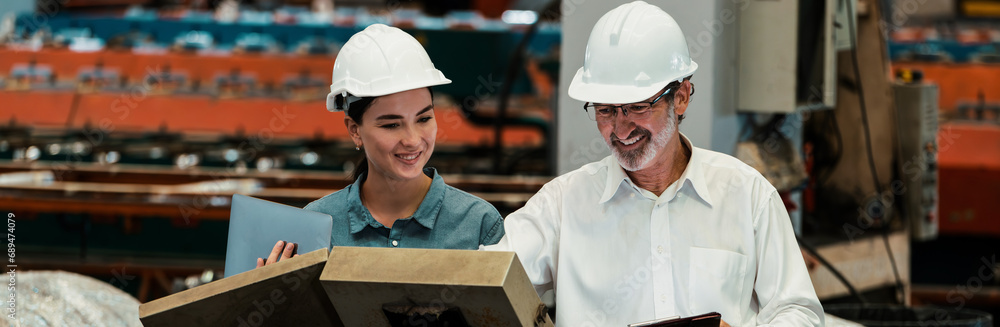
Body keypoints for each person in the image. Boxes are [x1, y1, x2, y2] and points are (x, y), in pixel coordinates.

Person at [484, 2, 824, 326]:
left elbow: (799, 312)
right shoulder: (562, 204)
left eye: (637, 107)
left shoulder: (747, 195)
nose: (620, 128)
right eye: (605, 110)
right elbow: (484, 283)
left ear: (681, 96)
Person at [257, 24, 505, 268]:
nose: (412, 140)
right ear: (355, 130)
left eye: (424, 119)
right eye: (391, 125)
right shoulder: (318, 226)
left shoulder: (478, 225)